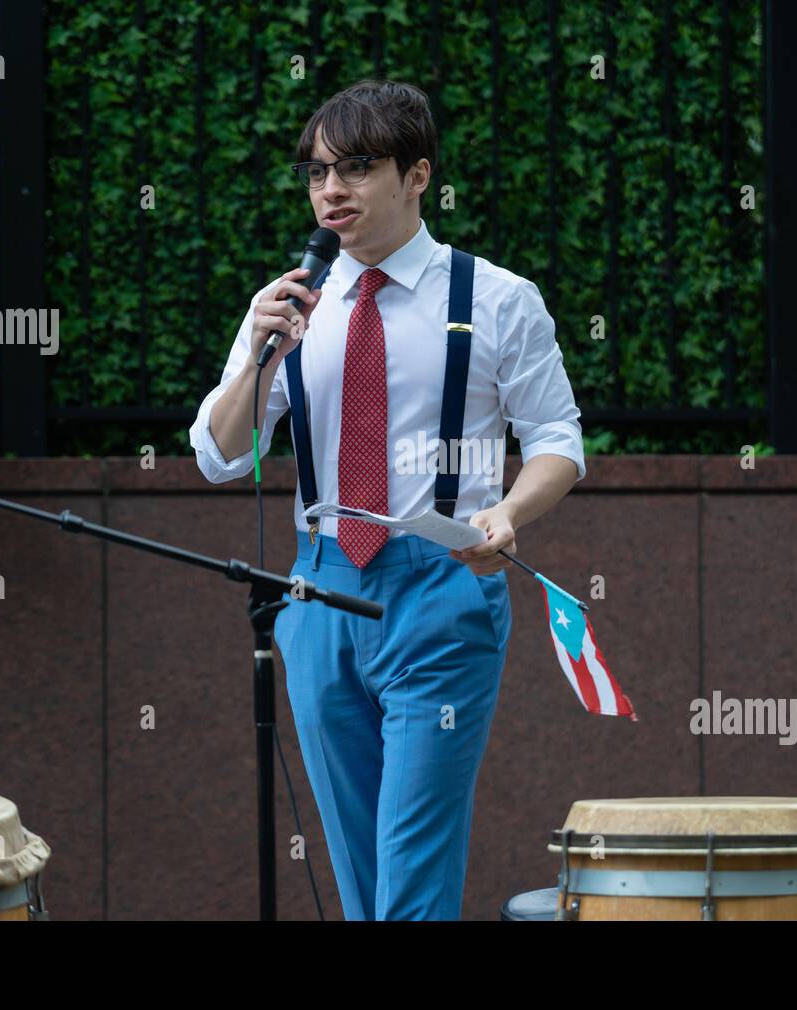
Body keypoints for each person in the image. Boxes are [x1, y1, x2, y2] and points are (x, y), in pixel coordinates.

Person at [189, 79, 585, 920]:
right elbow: (222, 455)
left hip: (442, 589)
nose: (330, 189)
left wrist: (508, 513)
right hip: (319, 592)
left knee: (411, 861)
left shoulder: (497, 299)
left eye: (357, 168)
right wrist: (258, 354)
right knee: (358, 868)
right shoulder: (292, 304)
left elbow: (557, 442)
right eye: (316, 171)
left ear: (418, 176)